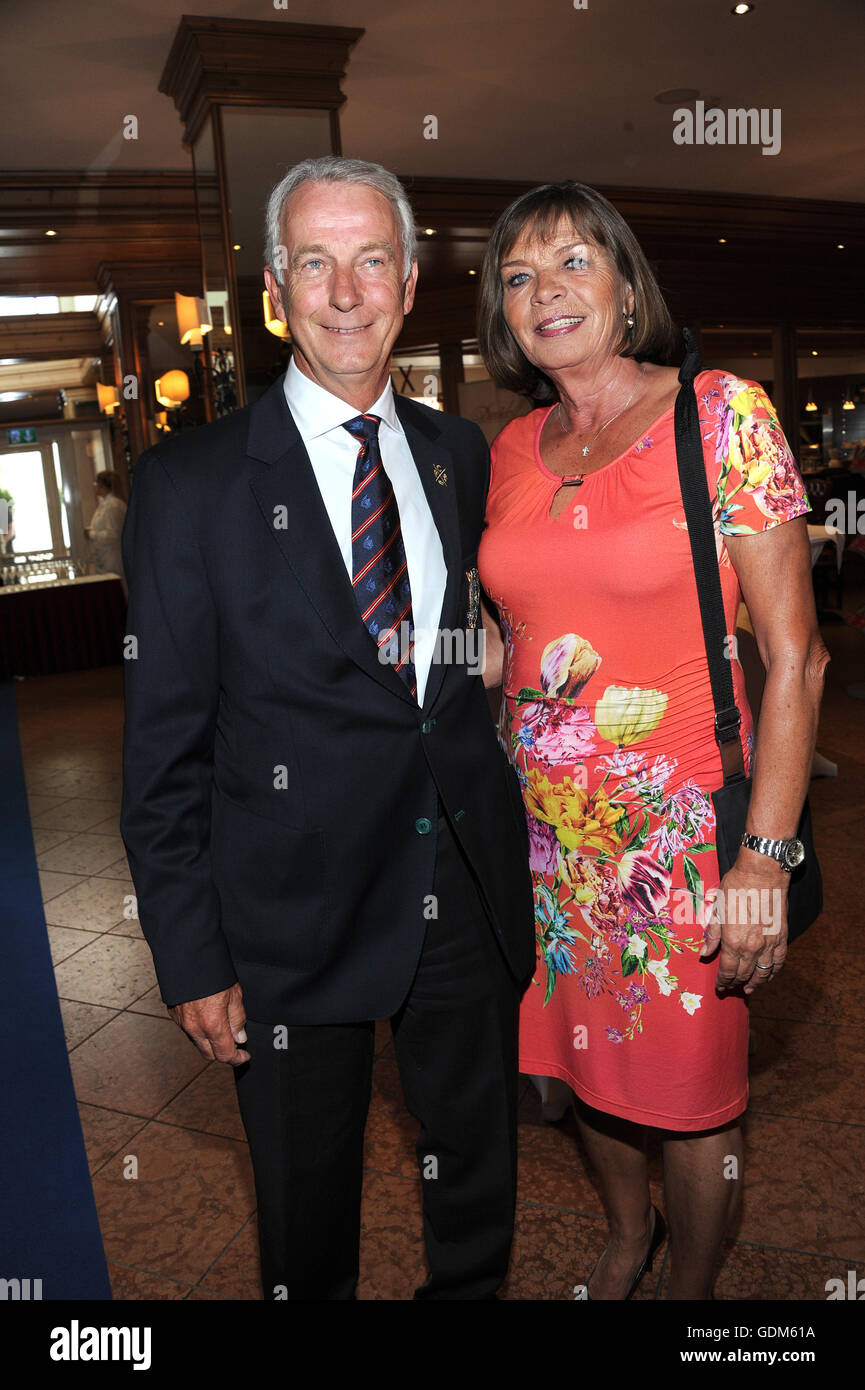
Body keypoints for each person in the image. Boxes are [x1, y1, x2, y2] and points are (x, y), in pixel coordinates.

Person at [120, 156, 535, 1301]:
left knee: (476, 1181)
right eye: (316, 261)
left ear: (408, 283)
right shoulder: (190, 483)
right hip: (285, 915)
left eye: (370, 261)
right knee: (306, 1207)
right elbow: (162, 749)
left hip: (461, 881)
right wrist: (191, 952)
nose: (344, 291)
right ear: (273, 288)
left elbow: (463, 652)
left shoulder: (463, 456)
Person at [477, 181, 828, 1300]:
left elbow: (797, 656)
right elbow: (515, 639)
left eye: (575, 262)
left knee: (691, 1093)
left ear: (627, 287)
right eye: (521, 278)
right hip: (554, 845)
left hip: (683, 843)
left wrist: (762, 862)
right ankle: (627, 1239)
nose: (548, 292)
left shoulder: (722, 413)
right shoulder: (513, 449)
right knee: (587, 1064)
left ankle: (690, 1294)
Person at [85, 470, 127, 589]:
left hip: (113, 558)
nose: (94, 488)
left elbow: (113, 534)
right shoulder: (106, 504)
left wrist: (92, 534)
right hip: (105, 558)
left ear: (101, 485)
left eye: (95, 484)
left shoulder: (113, 505)